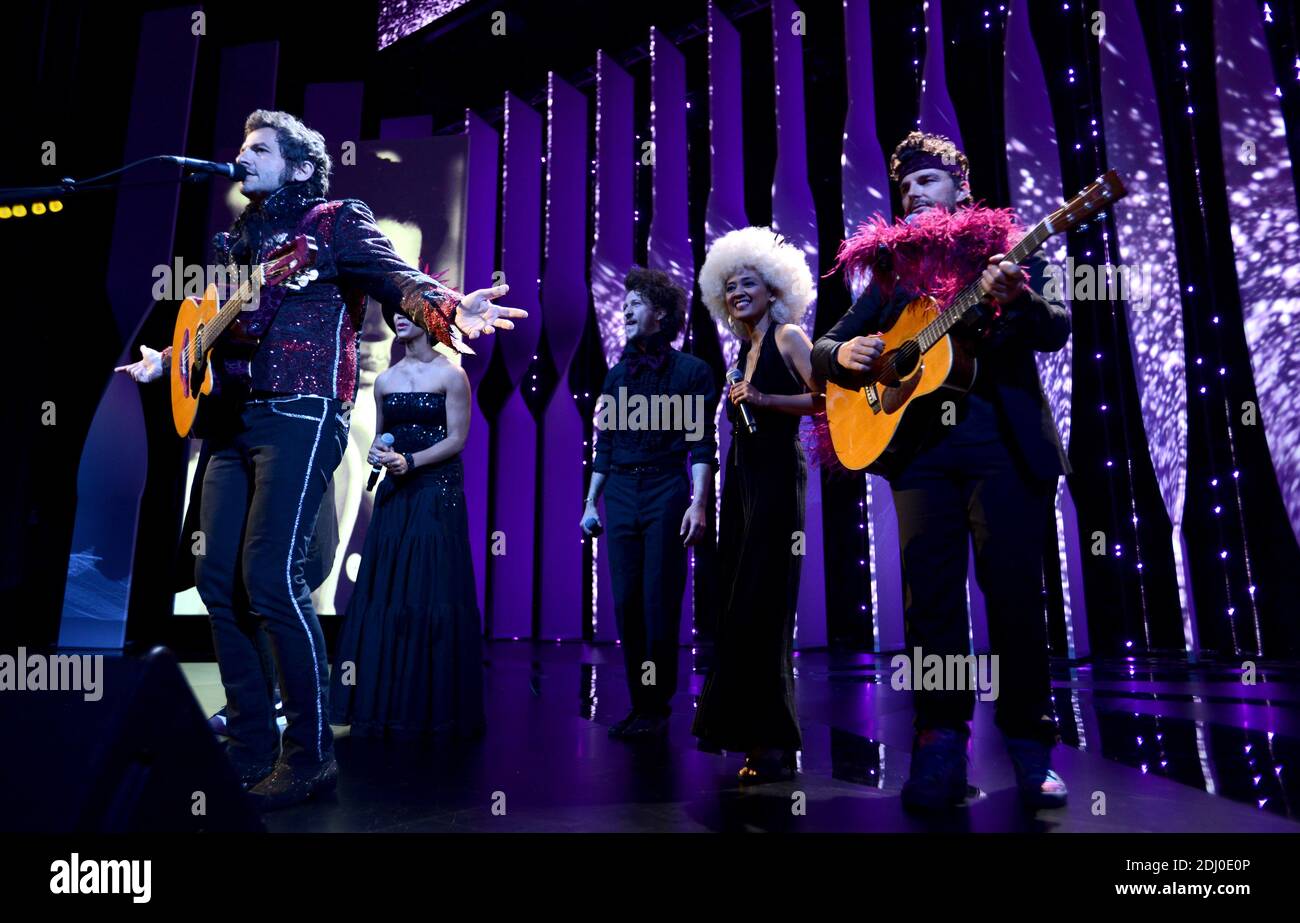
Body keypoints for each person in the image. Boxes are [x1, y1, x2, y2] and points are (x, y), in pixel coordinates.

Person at [116, 109, 524, 809]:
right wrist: (174, 359)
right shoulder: (237, 239)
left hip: (300, 410)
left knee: (270, 574)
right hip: (228, 416)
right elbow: (214, 325)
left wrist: (448, 306)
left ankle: (308, 755)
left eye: (258, 149)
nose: (240, 158)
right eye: (238, 148)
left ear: (302, 167)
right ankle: (249, 745)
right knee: (218, 579)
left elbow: (396, 276)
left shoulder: (333, 220)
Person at [812, 131, 1070, 812]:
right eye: (905, 188)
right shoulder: (892, 275)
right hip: (921, 458)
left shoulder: (1007, 248)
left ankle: (1030, 745)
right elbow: (824, 346)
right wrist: (850, 356)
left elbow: (1055, 327)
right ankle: (940, 742)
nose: (914, 194)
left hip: (1002, 449)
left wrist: (1014, 297)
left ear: (960, 185)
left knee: (1016, 599)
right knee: (931, 606)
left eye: (927, 181)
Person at [691, 227, 821, 783]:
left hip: (774, 480)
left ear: (773, 289)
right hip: (741, 485)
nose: (739, 291)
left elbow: (825, 401)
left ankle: (775, 744)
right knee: (739, 603)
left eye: (748, 282)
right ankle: (747, 733)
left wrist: (766, 399)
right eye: (731, 286)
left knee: (767, 605)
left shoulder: (790, 336)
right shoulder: (742, 351)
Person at [328, 308, 485, 739]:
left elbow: (458, 438)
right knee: (388, 590)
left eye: (408, 313)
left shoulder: (452, 375)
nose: (398, 319)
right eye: (393, 312)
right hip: (395, 494)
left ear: (430, 322)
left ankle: (429, 707)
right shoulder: (384, 381)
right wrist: (379, 453)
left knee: (428, 588)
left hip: (435, 491)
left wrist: (410, 461)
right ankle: (384, 702)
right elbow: (381, 435)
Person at [580, 267, 718, 739]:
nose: (625, 310)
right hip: (620, 490)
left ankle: (657, 708)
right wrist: (590, 503)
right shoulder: (617, 374)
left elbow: (702, 444)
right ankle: (641, 705)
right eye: (624, 304)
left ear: (659, 312)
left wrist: (699, 503)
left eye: (634, 303)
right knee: (627, 601)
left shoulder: (693, 372)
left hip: (665, 488)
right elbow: (606, 446)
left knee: (660, 600)